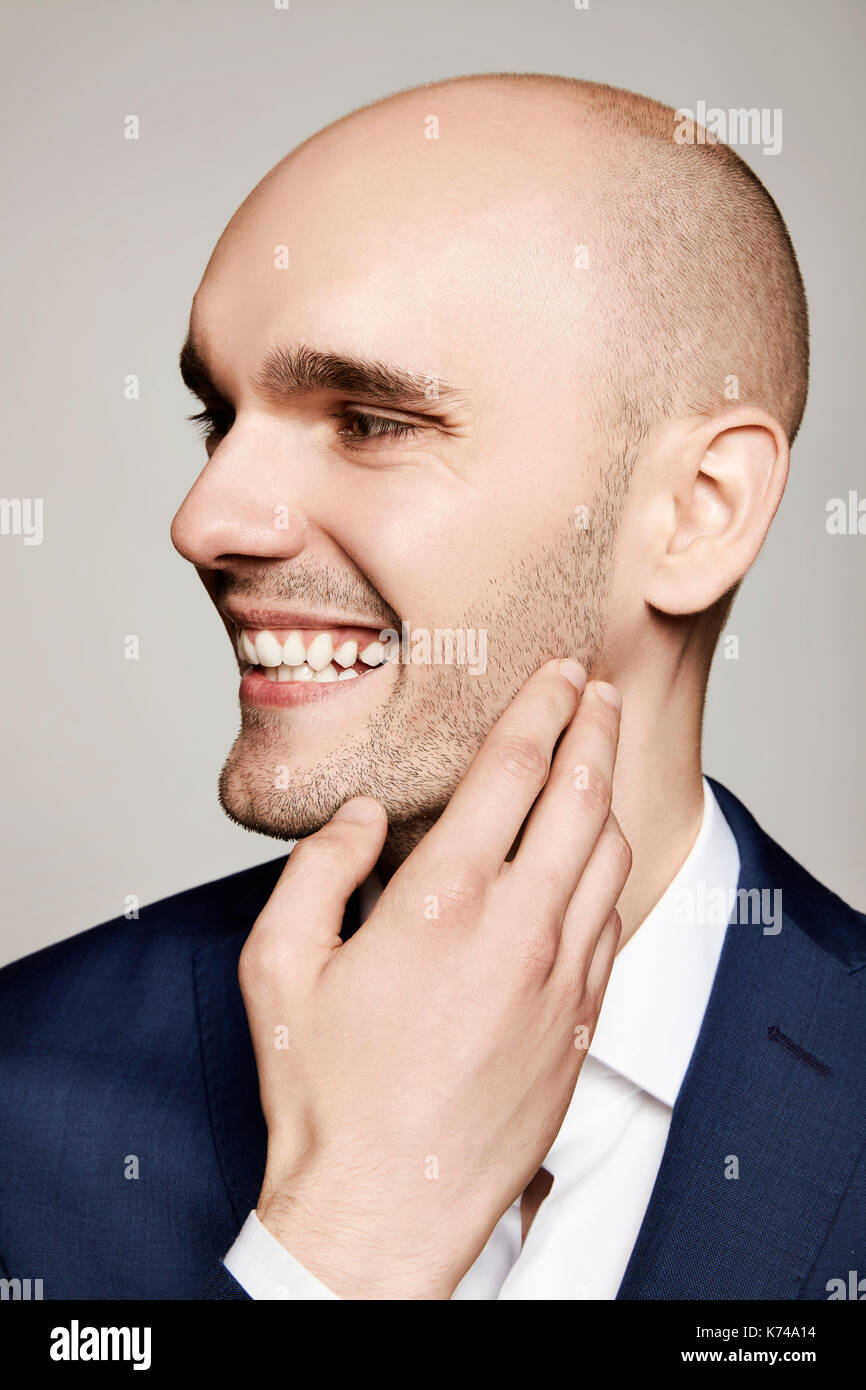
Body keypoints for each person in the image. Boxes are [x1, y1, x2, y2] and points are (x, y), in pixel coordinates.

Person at [1, 74, 862, 1302]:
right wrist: (339, 1246)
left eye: (366, 419)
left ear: (695, 514)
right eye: (218, 417)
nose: (204, 521)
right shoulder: (24, 1098)